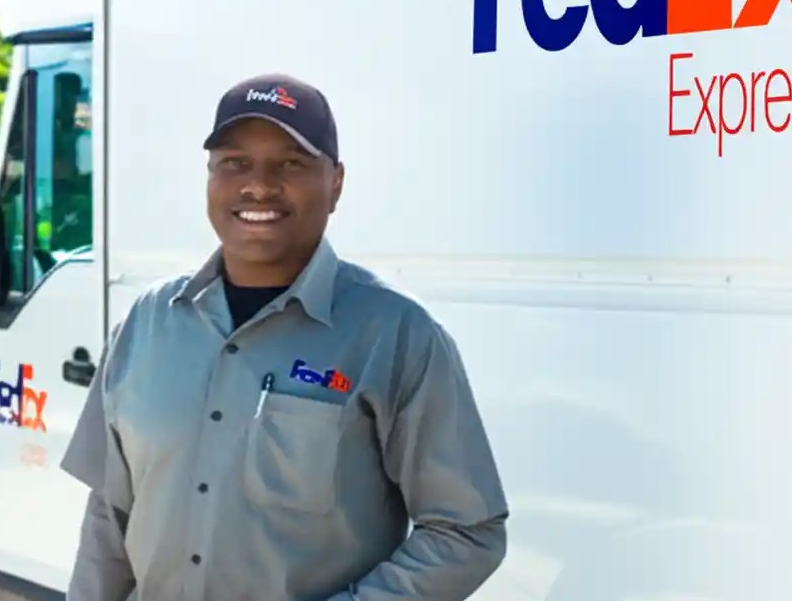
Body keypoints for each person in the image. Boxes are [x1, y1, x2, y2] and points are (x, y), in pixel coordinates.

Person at [60, 72, 509, 600]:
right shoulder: (147, 322)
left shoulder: (396, 336)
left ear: (335, 182)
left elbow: (467, 530)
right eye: (235, 163)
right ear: (210, 176)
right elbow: (109, 517)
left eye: (290, 163)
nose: (259, 185)